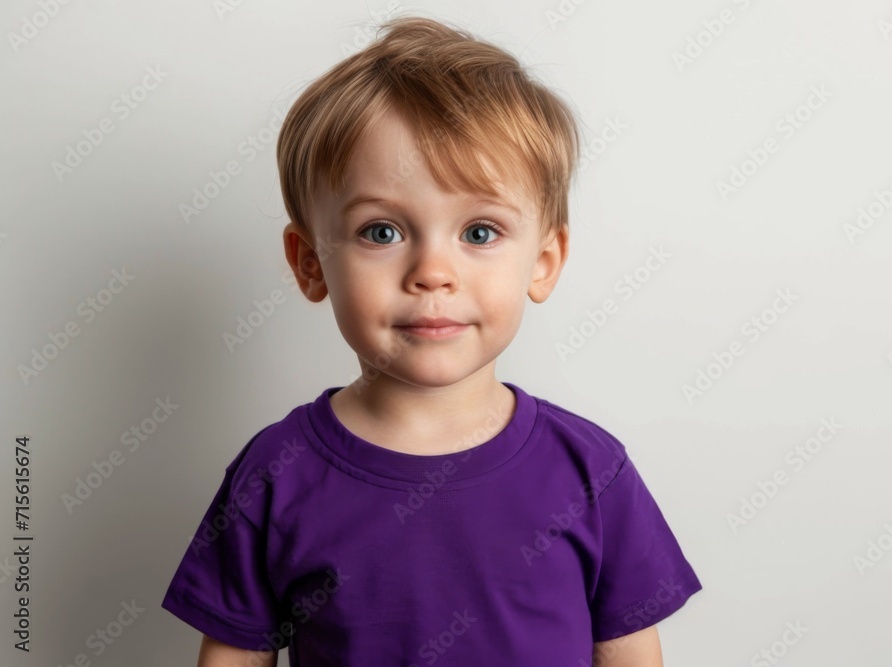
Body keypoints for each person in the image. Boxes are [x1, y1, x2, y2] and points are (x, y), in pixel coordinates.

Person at [161, 14, 701, 667]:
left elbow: (631, 654)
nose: (432, 273)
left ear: (544, 261)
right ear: (310, 263)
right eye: (382, 232)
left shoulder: (591, 470)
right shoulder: (275, 474)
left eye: (478, 232)